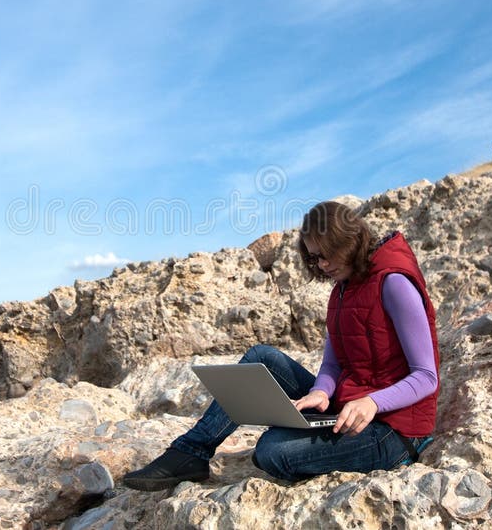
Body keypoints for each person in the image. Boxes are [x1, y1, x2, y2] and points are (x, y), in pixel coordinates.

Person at [122, 200, 440, 491]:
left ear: (350, 241)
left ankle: (366, 450)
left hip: (396, 430)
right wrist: (320, 392)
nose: (322, 265)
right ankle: (190, 453)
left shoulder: (394, 283)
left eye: (326, 254)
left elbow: (427, 376)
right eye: (313, 257)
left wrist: (372, 402)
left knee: (272, 451)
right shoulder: (341, 290)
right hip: (349, 408)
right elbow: (333, 364)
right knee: (261, 357)